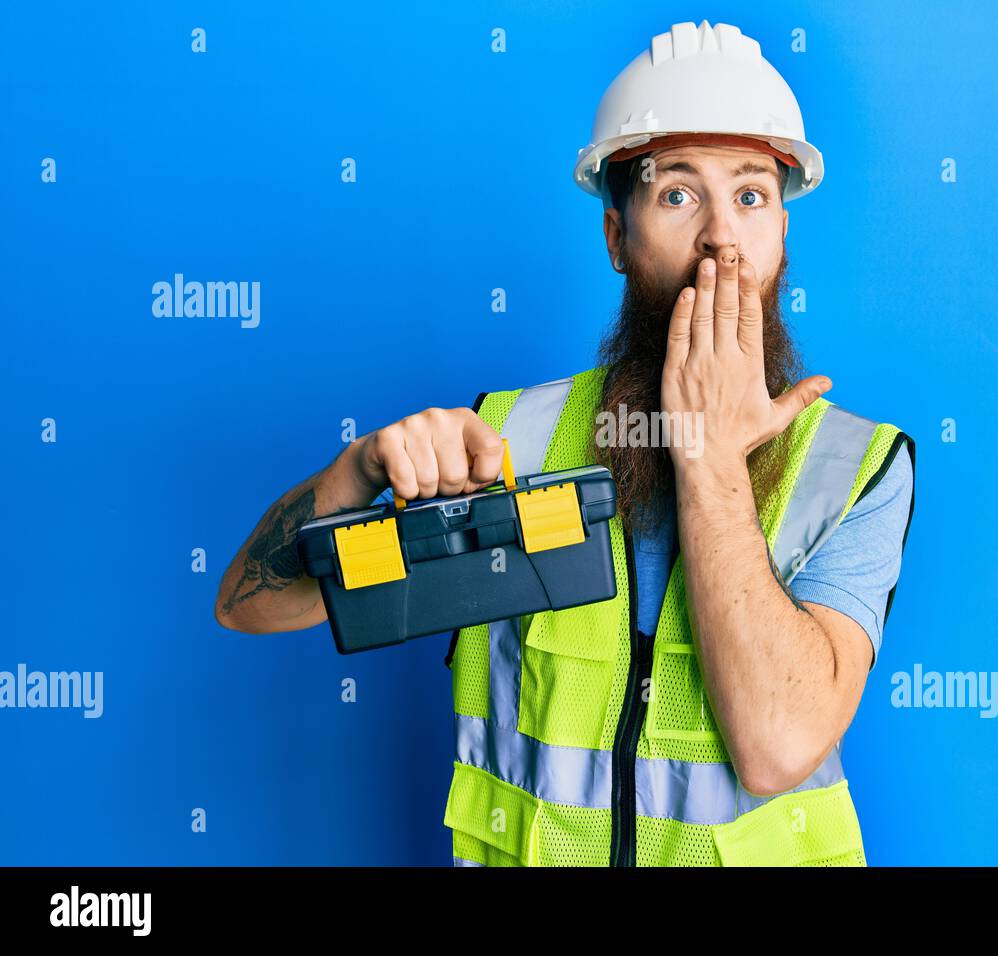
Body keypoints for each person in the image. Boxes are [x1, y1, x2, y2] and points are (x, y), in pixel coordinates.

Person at [216, 19, 915, 867]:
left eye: (752, 194)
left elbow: (775, 746)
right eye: (677, 193)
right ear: (617, 236)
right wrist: (358, 474)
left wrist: (708, 457)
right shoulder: (510, 439)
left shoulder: (855, 468)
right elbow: (250, 605)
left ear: (782, 233)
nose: (721, 237)